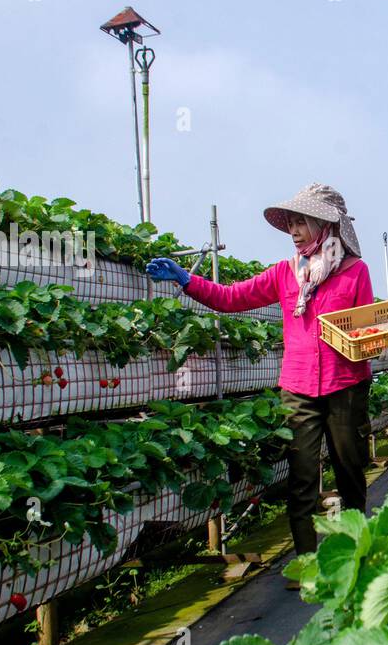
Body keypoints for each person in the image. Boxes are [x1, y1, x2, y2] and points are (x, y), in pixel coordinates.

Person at [145, 183, 372, 558]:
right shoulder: (285, 274)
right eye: (292, 224)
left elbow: (367, 330)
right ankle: (307, 563)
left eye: (302, 223)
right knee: (301, 479)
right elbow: (231, 298)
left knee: (350, 474)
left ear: (325, 226)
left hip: (346, 385)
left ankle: (355, 555)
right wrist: (186, 279)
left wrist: (368, 342)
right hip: (297, 389)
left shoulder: (354, 272)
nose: (294, 232)